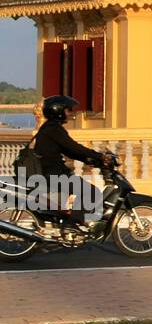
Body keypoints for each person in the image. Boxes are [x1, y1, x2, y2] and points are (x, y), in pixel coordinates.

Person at [30, 95, 108, 227]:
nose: (69, 113)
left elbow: (69, 151)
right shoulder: (54, 130)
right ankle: (72, 225)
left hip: (51, 173)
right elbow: (73, 147)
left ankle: (69, 222)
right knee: (91, 192)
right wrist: (99, 156)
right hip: (54, 175)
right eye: (67, 110)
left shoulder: (49, 128)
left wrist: (88, 159)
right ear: (58, 111)